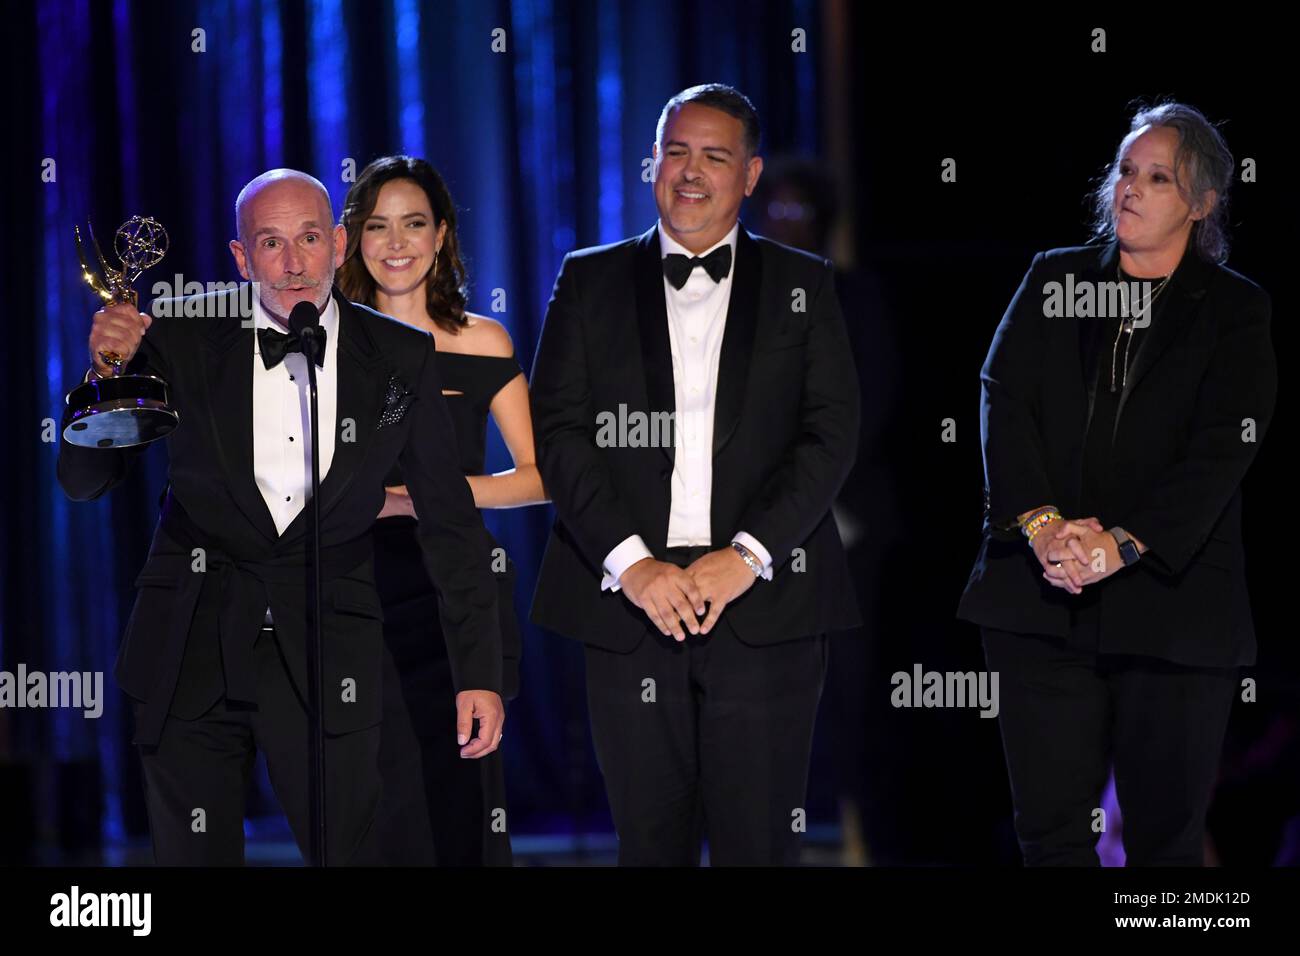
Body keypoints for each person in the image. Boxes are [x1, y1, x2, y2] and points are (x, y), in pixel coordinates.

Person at [57, 168, 505, 865]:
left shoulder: (398, 355)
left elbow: (450, 524)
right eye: (270, 242)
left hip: (331, 654)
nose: (293, 264)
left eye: (307, 239)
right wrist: (105, 374)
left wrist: (479, 672)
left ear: (337, 241)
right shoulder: (182, 332)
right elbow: (85, 481)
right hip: (191, 647)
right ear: (241, 257)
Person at [530, 84, 862, 865]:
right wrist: (634, 563)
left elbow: (830, 435)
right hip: (626, 604)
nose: (689, 171)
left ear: (748, 177)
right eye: (675, 151)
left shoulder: (803, 284)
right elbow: (560, 433)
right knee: (649, 846)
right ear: (652, 162)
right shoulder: (589, 279)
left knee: (759, 847)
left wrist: (744, 555)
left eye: (714, 156)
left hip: (765, 605)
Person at [956, 102, 1277, 865]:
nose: (1130, 188)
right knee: (1051, 837)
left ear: (1201, 204)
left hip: (1173, 605)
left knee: (1164, 845)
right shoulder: (1053, 276)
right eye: (1126, 171)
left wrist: (1123, 543)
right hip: (1042, 593)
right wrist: (1042, 528)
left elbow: (1222, 448)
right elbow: (1003, 397)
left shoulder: (1235, 307)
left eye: (1158, 177)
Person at [336, 156, 545, 865]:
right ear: (352, 239)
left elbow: (541, 476)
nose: (397, 242)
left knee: (464, 801)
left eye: (415, 224)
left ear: (442, 235)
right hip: (350, 590)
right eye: (378, 226)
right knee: (373, 802)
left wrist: (425, 495)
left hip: (453, 587)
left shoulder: (482, 340)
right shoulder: (326, 342)